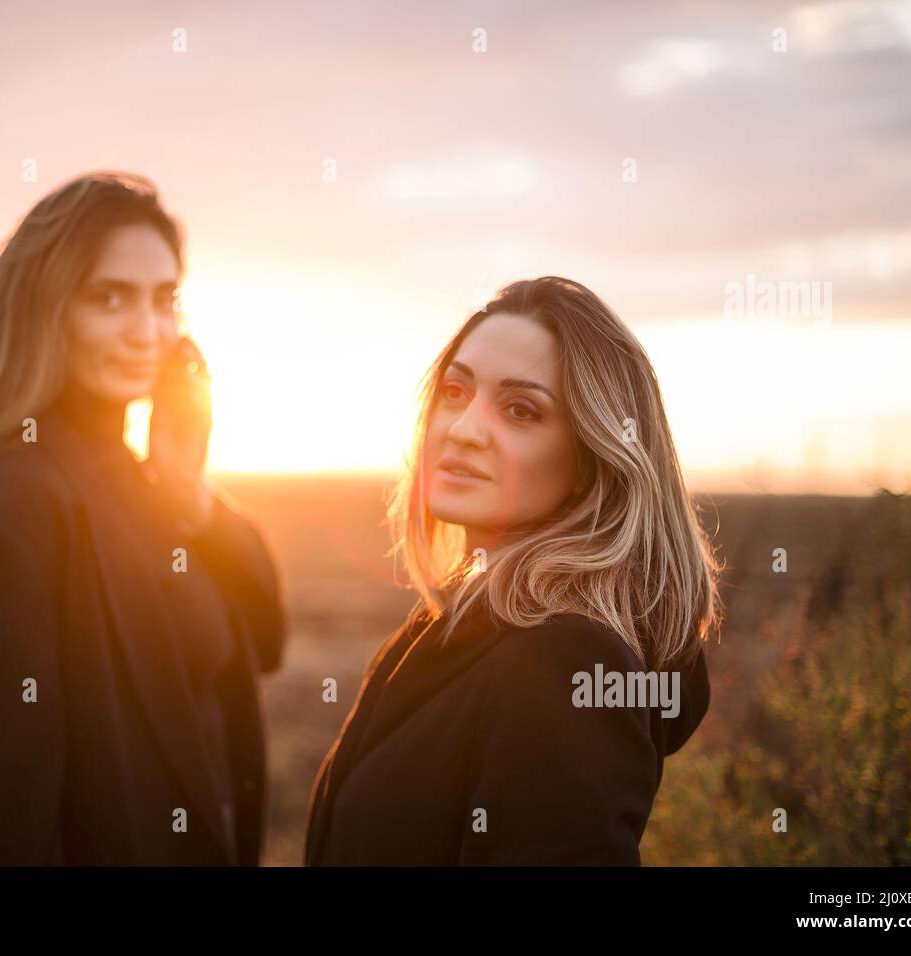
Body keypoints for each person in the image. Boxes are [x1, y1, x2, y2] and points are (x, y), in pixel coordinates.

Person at [0, 171, 287, 865]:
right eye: (110, 299)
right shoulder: (13, 503)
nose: (147, 332)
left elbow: (266, 637)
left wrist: (188, 491)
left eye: (164, 300)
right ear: (45, 310)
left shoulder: (145, 483)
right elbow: (2, 823)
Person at [305, 276, 719, 865]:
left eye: (521, 410)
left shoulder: (566, 663)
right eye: (456, 390)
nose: (464, 429)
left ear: (590, 459)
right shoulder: (460, 626)